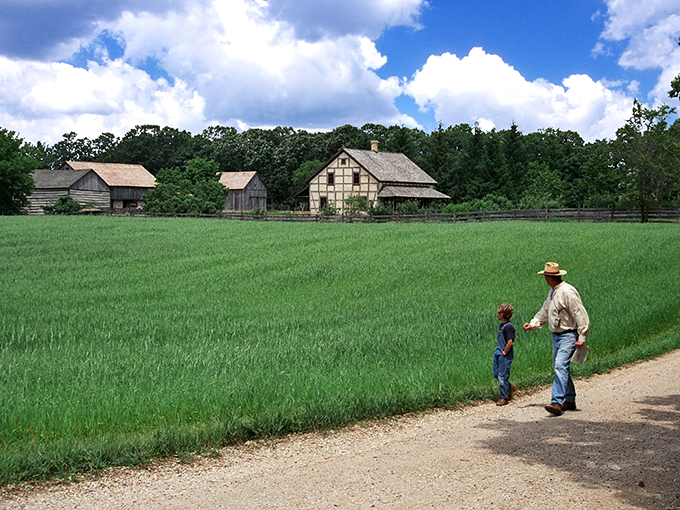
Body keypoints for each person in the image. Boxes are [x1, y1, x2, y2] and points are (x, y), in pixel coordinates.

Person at [523, 262, 590, 416]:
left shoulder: (567, 291)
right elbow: (545, 311)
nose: (545, 279)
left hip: (568, 335)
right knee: (559, 366)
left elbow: (579, 313)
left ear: (550, 277)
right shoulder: (552, 292)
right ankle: (570, 399)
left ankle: (556, 402)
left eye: (546, 276)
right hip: (556, 335)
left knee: (560, 365)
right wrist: (533, 324)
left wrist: (582, 336)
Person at [493, 303, 516, 406]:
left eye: (498, 313)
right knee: (495, 373)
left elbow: (510, 341)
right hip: (498, 352)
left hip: (504, 355)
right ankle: (509, 387)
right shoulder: (502, 326)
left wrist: (505, 352)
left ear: (502, 314)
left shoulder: (508, 327)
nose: (497, 315)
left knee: (502, 376)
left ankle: (504, 397)